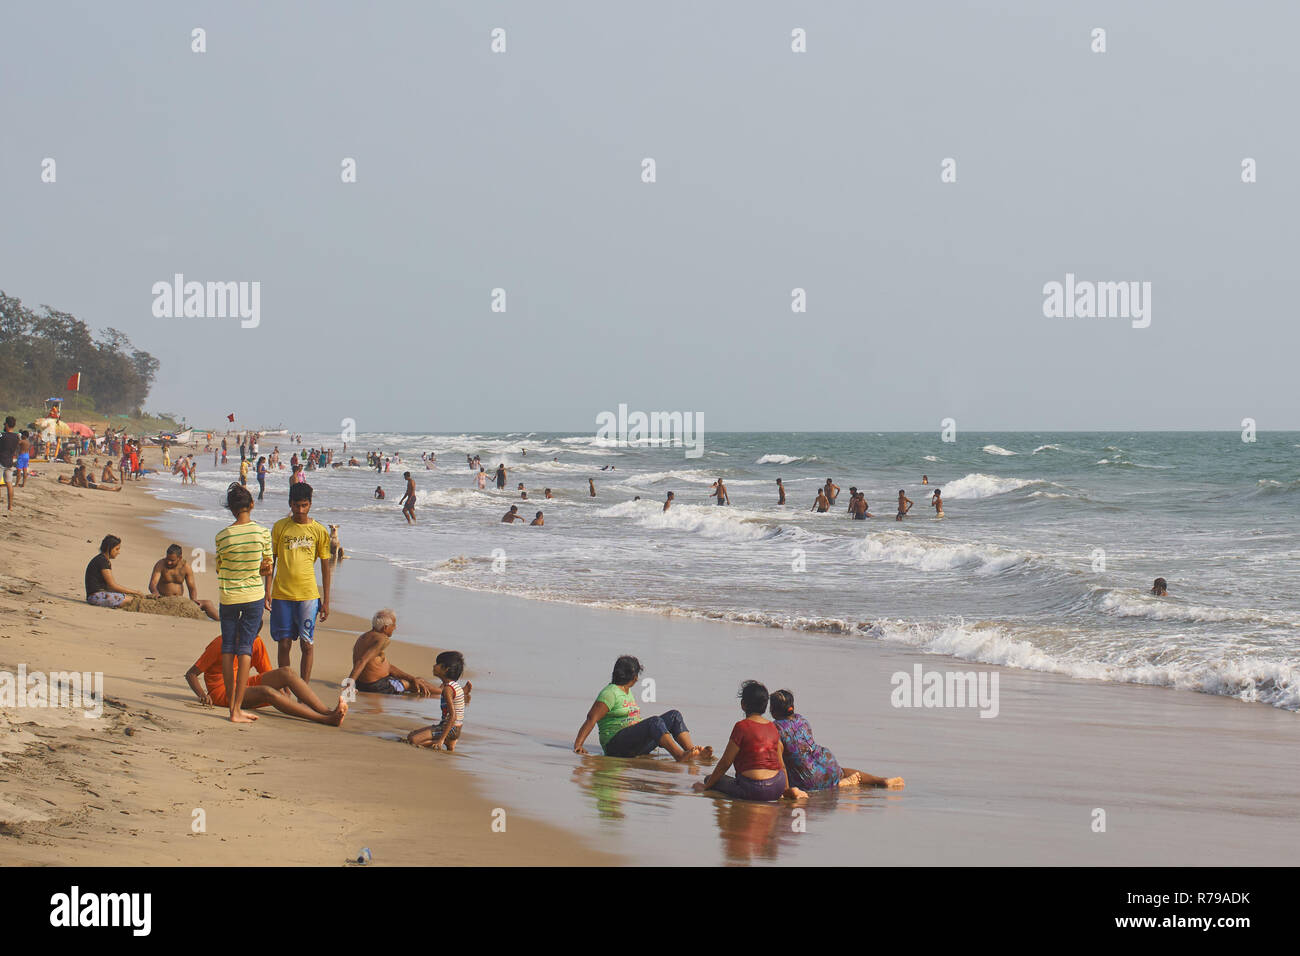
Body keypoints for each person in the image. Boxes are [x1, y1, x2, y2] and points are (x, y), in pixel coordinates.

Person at [185, 628, 347, 725]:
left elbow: (268, 672)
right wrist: (202, 695)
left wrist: (283, 692)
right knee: (266, 692)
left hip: (243, 683)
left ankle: (327, 711)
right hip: (223, 691)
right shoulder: (220, 643)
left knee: (287, 672)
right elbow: (191, 674)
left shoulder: (255, 641)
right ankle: (323, 719)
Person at [214, 482, 273, 723]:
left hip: (228, 595)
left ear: (231, 509)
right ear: (251, 505)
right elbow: (267, 566)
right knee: (245, 648)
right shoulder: (262, 533)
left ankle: (231, 707)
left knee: (228, 648)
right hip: (252, 596)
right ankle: (237, 709)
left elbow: (220, 568)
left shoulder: (222, 536)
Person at [574, 655, 708, 761]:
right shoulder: (609, 693)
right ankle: (679, 755)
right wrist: (578, 745)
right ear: (633, 677)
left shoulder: (626, 690)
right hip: (615, 746)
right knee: (654, 722)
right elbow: (591, 718)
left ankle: (692, 752)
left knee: (674, 715)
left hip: (633, 744)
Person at [769, 689, 903, 791]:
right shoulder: (802, 720)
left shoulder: (775, 729)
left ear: (773, 711)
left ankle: (839, 786)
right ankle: (881, 781)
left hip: (809, 778)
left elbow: (782, 764)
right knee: (842, 772)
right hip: (826, 762)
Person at [693, 681, 801, 801]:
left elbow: (725, 762)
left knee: (710, 779)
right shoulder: (773, 728)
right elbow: (782, 765)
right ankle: (791, 792)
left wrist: (706, 787)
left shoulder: (742, 727)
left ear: (743, 704)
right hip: (777, 785)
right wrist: (785, 790)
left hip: (753, 788)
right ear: (765, 707)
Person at [269, 482, 332, 682]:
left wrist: (327, 600)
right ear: (290, 504)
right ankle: (285, 685)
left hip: (308, 595)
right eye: (296, 506)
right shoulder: (280, 527)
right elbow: (271, 560)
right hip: (281, 594)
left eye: (304, 505)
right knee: (284, 642)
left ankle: (303, 689)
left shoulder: (319, 531)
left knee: (306, 644)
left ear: (310, 504)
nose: (300, 510)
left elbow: (325, 567)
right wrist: (266, 591)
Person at [345, 609, 437, 696]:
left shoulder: (364, 637)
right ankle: (444, 693)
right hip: (377, 686)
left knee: (415, 680)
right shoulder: (382, 639)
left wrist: (411, 678)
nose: (395, 627)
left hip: (363, 683)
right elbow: (362, 661)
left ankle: (444, 691)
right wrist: (349, 684)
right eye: (393, 625)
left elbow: (387, 667)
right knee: (418, 683)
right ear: (385, 627)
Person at [406, 651, 472, 750]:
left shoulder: (448, 690)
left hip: (450, 729)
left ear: (446, 669)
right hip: (454, 728)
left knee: (413, 740)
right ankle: (448, 741)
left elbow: (453, 716)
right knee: (412, 734)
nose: (434, 666)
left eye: (437, 664)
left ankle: (443, 741)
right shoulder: (453, 686)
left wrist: (441, 739)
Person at [149, 544, 219, 620]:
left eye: (172, 560)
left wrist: (194, 599)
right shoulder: (161, 564)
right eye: (167, 559)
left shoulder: (186, 567)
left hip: (180, 601)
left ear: (179, 558)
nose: (169, 562)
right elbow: (153, 583)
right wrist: (155, 593)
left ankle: (222, 621)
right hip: (164, 599)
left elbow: (192, 587)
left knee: (207, 603)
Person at [85, 535, 145, 608]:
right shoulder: (103, 561)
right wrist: (136, 592)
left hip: (96, 595)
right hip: (95, 597)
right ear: (108, 548)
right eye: (117, 549)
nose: (118, 552)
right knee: (133, 601)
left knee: (129, 597)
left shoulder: (102, 559)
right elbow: (112, 585)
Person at [1, 416, 19, 511]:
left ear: (7, 424)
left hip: (1, 461)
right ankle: (10, 506)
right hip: (10, 462)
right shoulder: (16, 437)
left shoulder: (2, 435)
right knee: (9, 484)